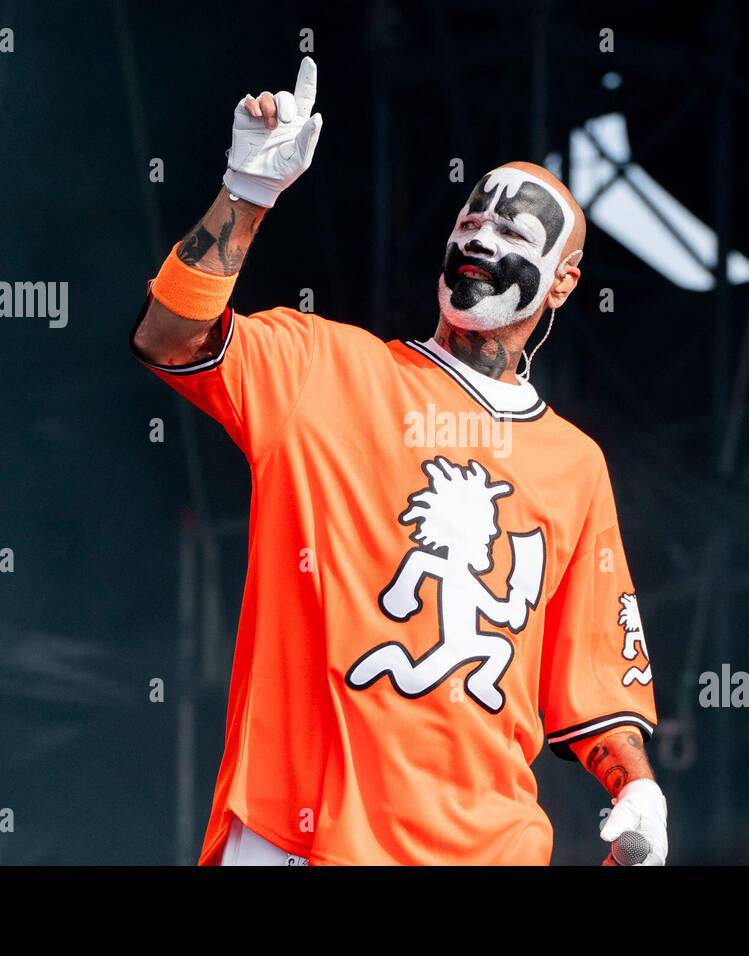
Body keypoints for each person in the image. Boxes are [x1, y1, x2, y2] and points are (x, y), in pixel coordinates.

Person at [131, 57, 665, 866]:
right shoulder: (326, 369)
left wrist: (637, 790)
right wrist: (247, 192)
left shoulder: (575, 464)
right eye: (470, 220)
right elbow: (168, 338)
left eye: (514, 232)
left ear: (562, 283)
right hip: (300, 836)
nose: (481, 236)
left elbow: (595, 690)